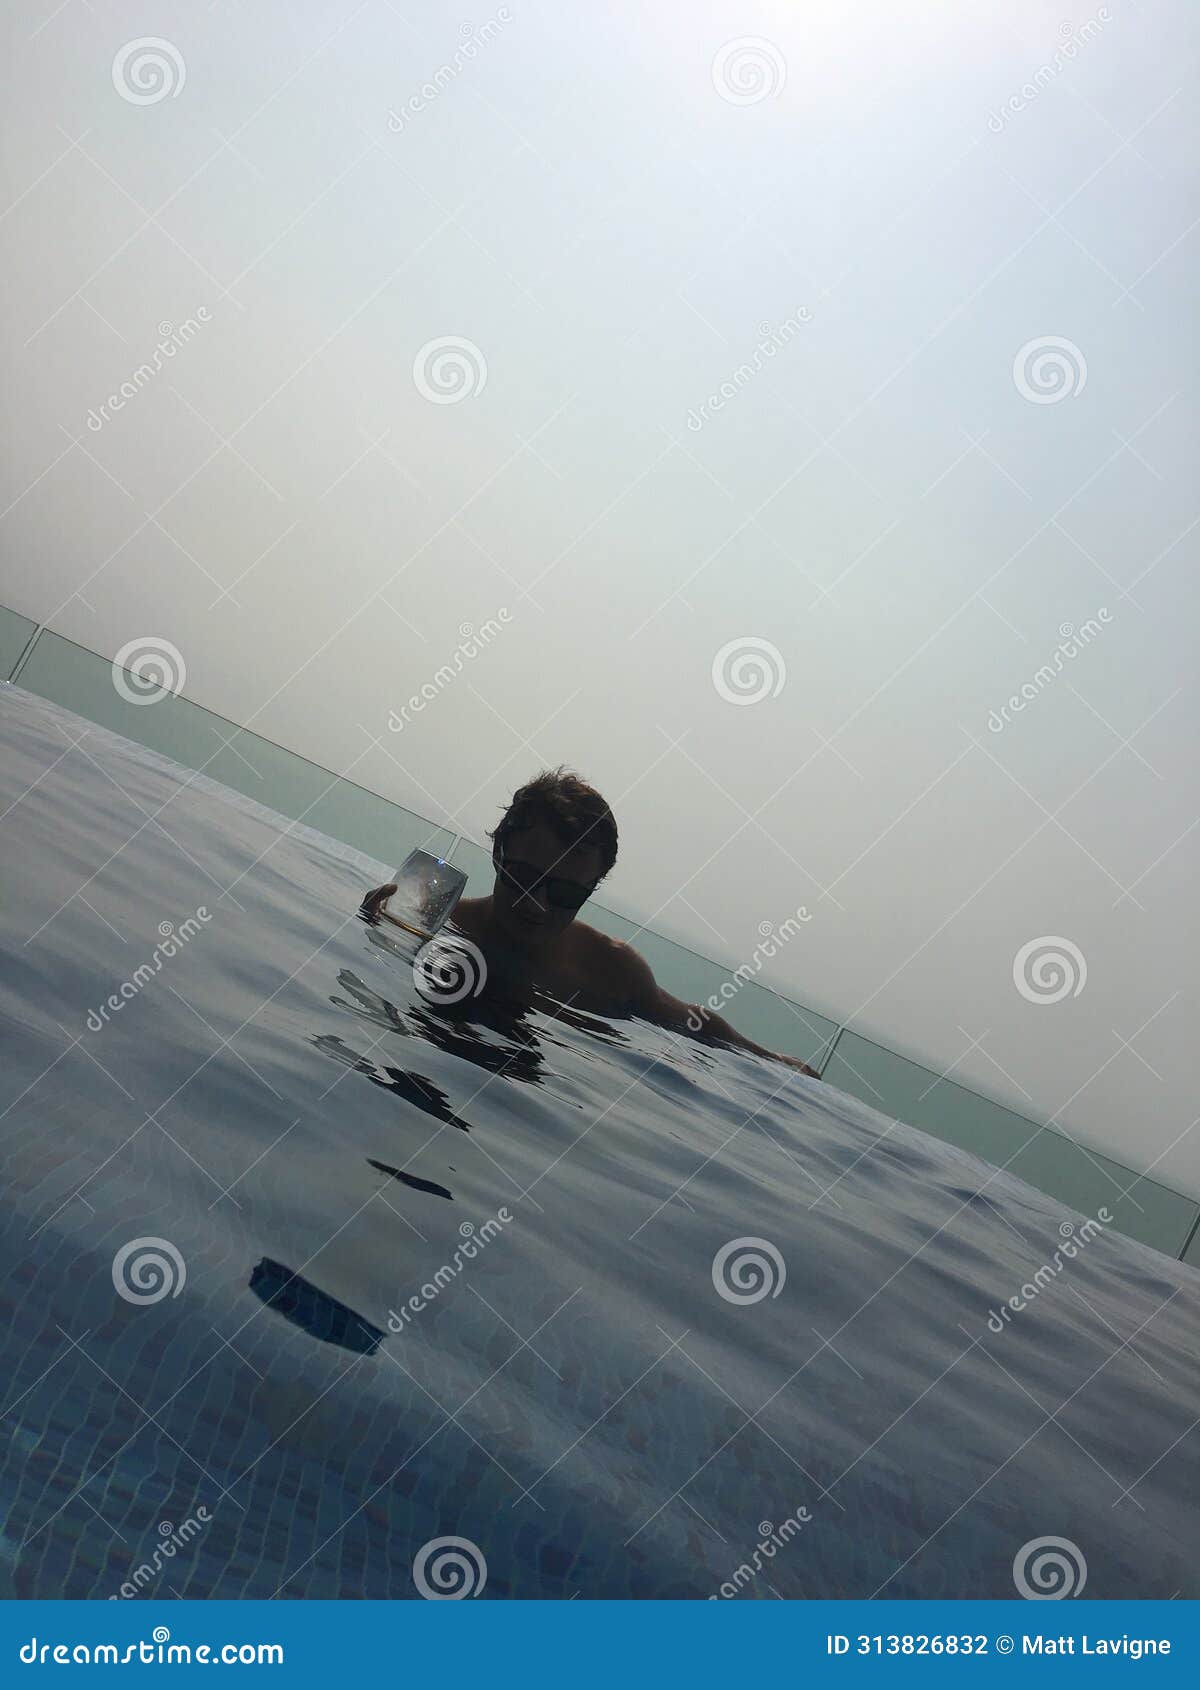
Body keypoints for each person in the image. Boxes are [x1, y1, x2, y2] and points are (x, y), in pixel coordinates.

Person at [361, 768, 819, 1077]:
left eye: (563, 893)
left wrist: (771, 1060)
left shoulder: (611, 971)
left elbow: (694, 1024)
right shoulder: (433, 918)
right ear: (499, 854)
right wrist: (375, 925)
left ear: (593, 887)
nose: (537, 903)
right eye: (524, 878)